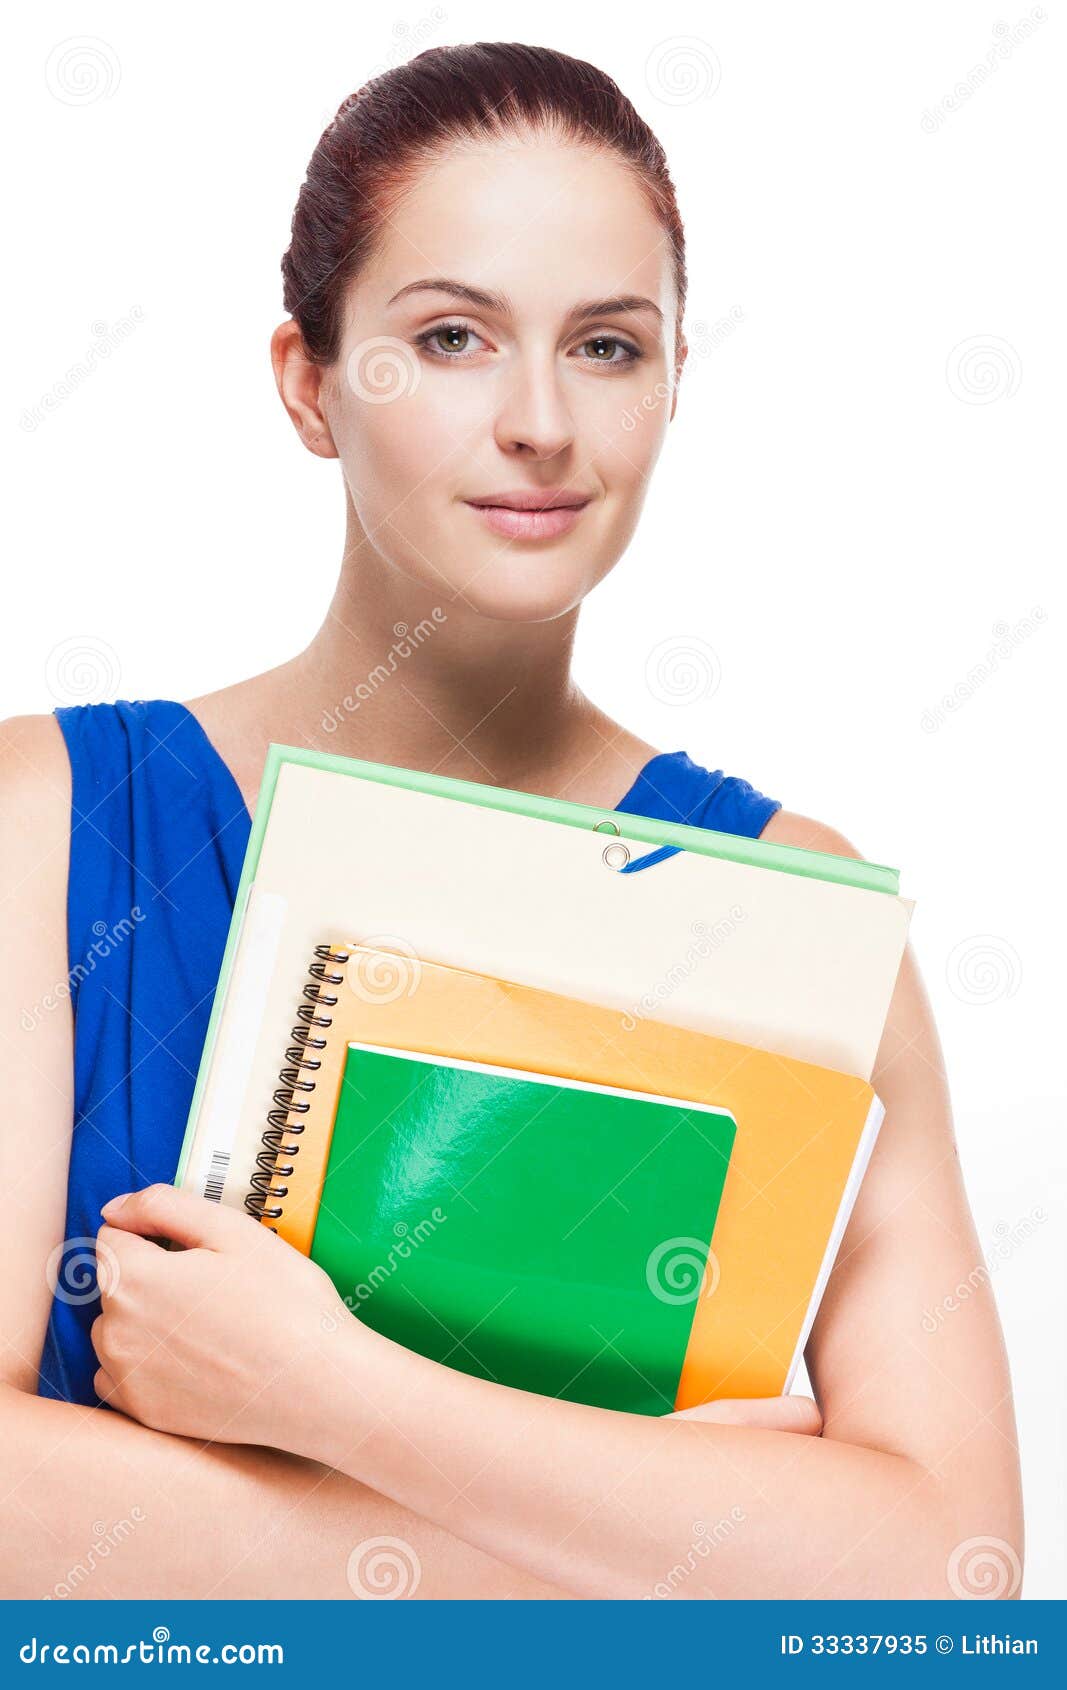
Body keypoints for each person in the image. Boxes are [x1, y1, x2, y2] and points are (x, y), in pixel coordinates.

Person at [1, 42, 1021, 1600]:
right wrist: (672, 1535)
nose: (541, 420)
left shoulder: (794, 901)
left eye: (608, 346)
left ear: (677, 378)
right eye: (455, 336)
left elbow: (944, 1569)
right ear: (309, 380)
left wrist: (325, 1393)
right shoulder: (49, 826)